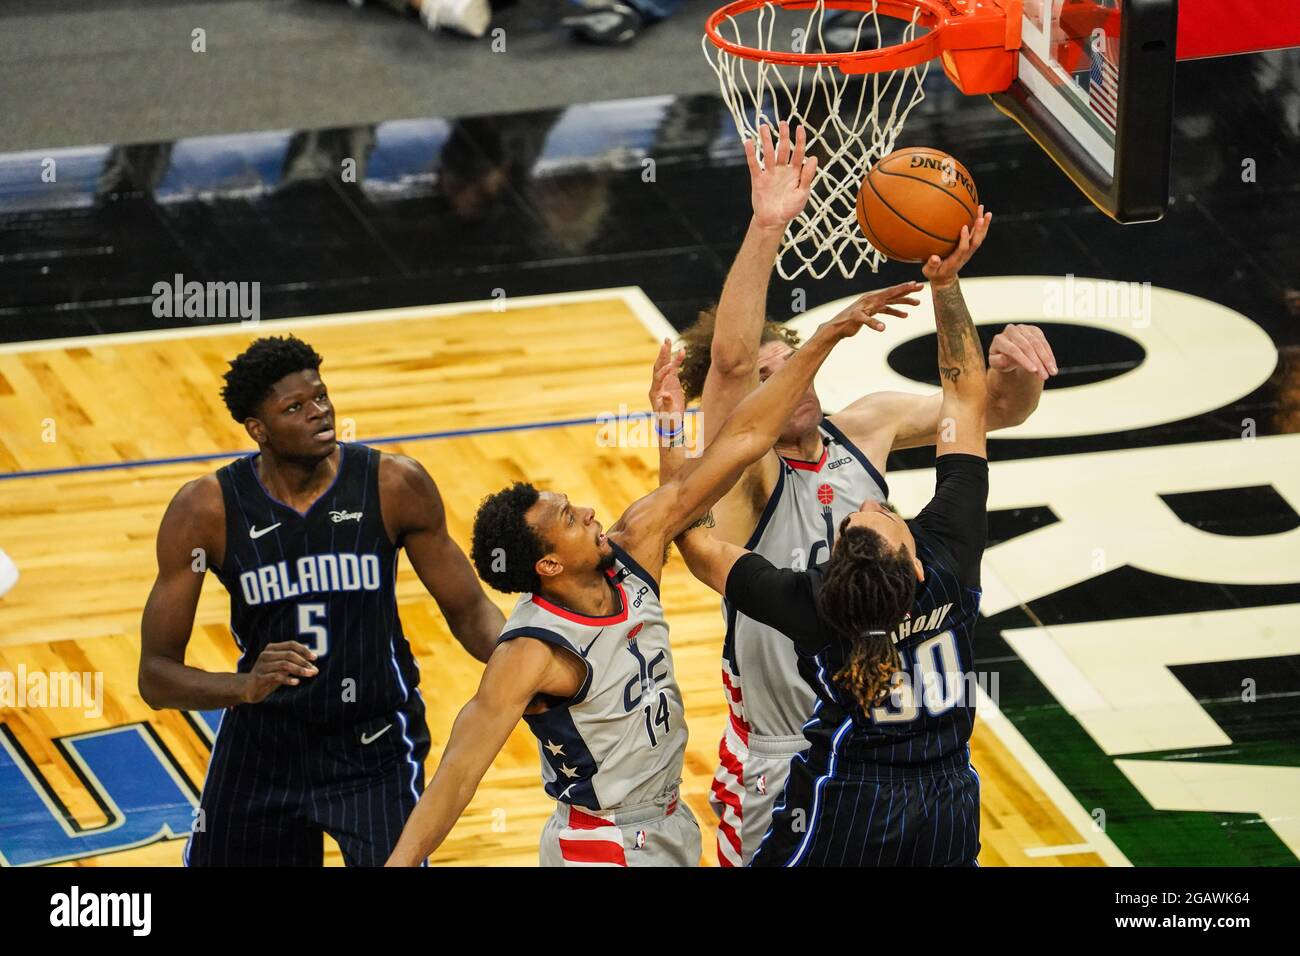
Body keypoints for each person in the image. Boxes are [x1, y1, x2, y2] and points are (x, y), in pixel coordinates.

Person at [385, 286, 916, 867]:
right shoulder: (530, 650)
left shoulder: (631, 553)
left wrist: (671, 426)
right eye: (568, 517)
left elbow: (719, 462)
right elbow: (458, 775)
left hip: (669, 825)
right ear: (549, 565)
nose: (588, 511)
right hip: (601, 842)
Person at [677, 121, 1057, 865]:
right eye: (769, 377)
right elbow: (724, 365)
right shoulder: (744, 482)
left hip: (892, 748)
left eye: (792, 361)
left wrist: (1022, 371)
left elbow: (986, 409)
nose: (791, 379)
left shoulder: (871, 423)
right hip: (784, 754)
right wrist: (765, 229)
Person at [139, 335, 504, 866]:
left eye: (321, 397)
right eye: (295, 407)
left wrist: (526, 665)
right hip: (263, 746)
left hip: (373, 743)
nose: (319, 413)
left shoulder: (394, 484)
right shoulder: (205, 510)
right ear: (257, 429)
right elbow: (155, 676)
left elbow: (470, 611)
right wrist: (244, 685)